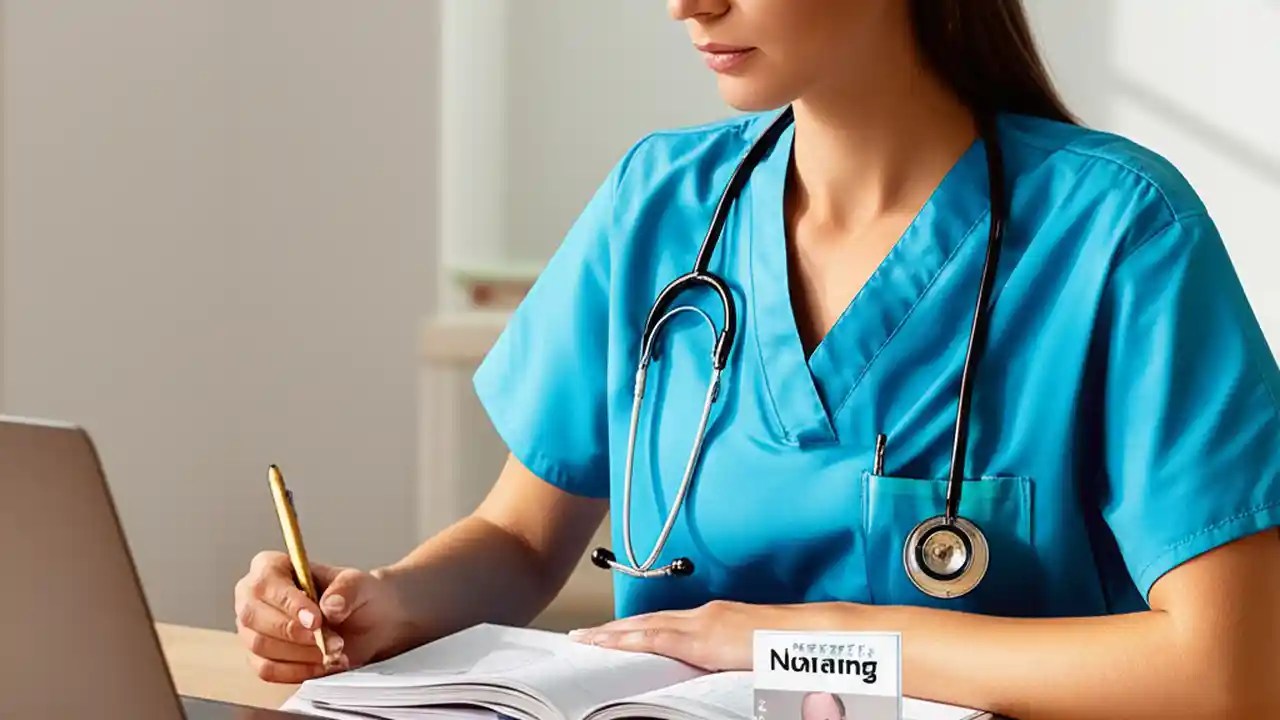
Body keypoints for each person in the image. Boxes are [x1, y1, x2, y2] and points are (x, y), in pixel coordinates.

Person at [234, 1, 1280, 717]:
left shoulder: (1117, 230)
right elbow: (517, 540)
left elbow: (1229, 670)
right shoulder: (658, 203)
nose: (686, 2)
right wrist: (386, 603)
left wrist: (792, 639)